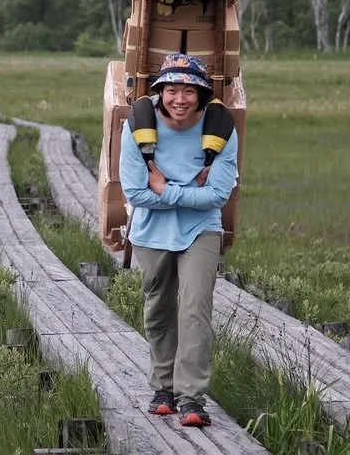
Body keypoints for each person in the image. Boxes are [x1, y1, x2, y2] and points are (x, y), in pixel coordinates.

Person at [118, 52, 239, 428]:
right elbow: (136, 193)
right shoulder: (138, 125)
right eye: (172, 90)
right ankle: (164, 388)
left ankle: (192, 398)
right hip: (151, 232)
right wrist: (186, 189)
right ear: (160, 91)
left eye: (189, 91)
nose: (180, 99)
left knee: (195, 308)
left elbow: (218, 196)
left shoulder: (219, 128)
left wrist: (165, 187)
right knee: (158, 310)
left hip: (201, 229)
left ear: (202, 94)